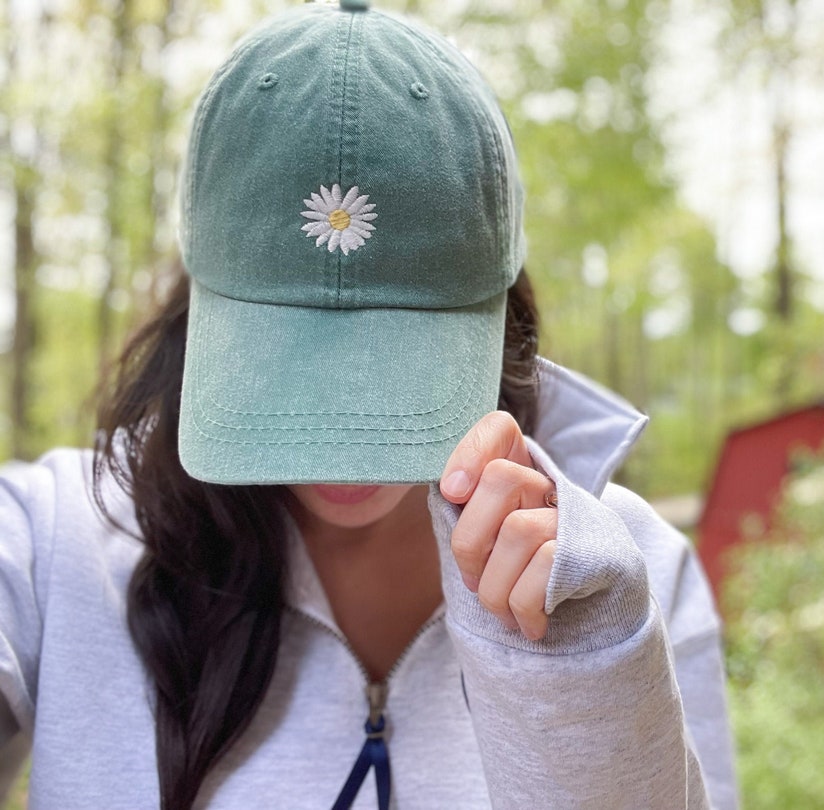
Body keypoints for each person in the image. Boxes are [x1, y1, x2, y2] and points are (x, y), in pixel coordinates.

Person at [0, 1, 739, 808]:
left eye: (396, 361)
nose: (340, 447)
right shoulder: (50, 546)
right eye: (285, 357)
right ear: (202, 309)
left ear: (499, 316)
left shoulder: (634, 580)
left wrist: (584, 682)